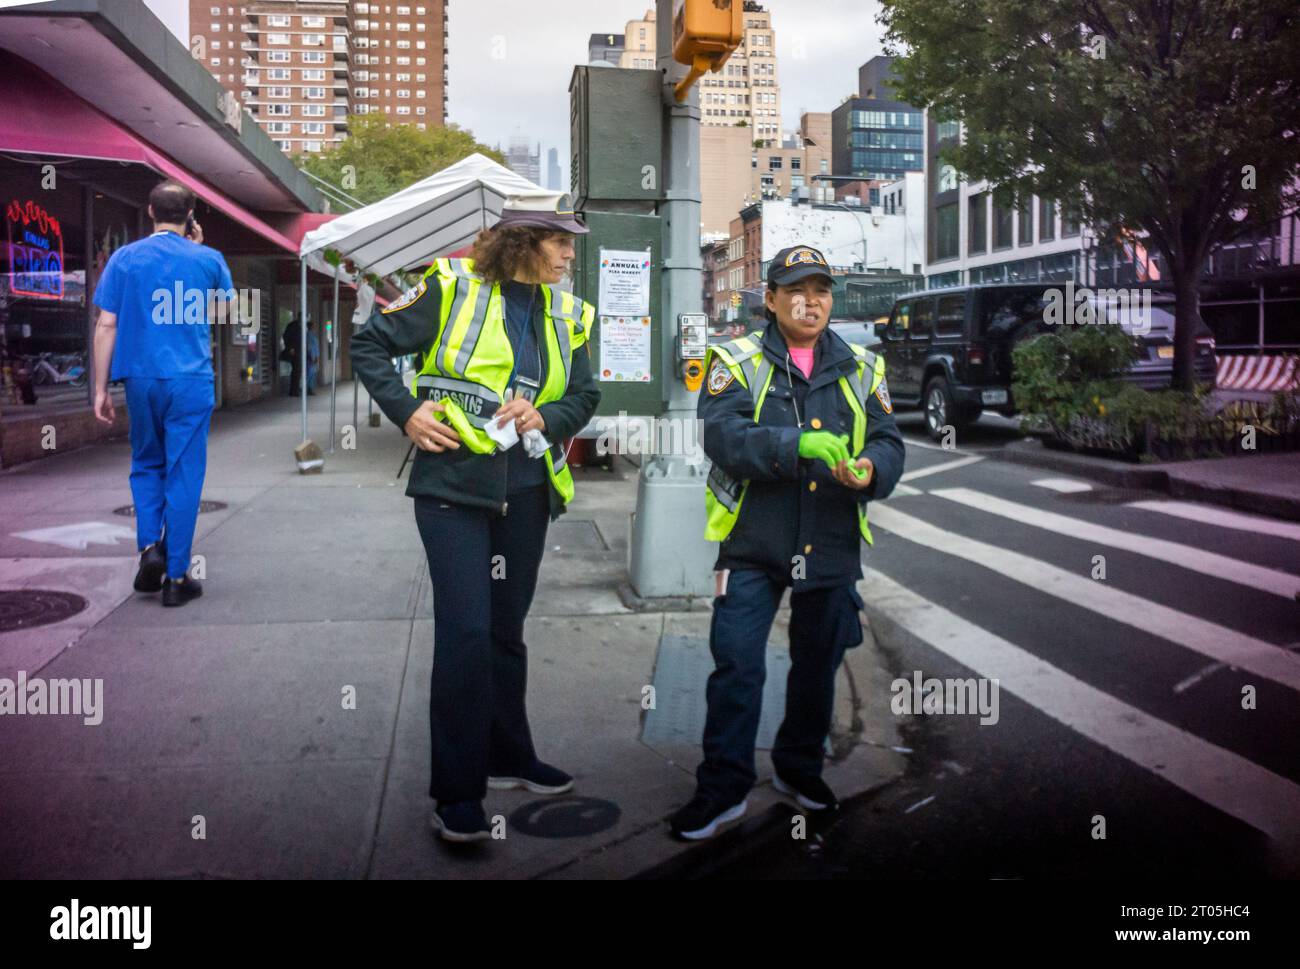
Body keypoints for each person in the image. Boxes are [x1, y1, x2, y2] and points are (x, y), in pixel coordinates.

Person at [350, 192, 601, 843]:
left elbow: (586, 392)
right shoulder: (451, 286)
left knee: (505, 631)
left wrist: (547, 416)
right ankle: (456, 792)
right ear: (523, 242)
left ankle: (508, 754)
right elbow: (370, 343)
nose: (572, 254)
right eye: (562, 242)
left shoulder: (571, 313)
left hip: (528, 491)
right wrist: (406, 410)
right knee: (465, 632)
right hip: (453, 490)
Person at [670, 244, 906, 840]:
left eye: (821, 290)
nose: (811, 301)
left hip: (829, 537)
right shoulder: (734, 358)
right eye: (796, 290)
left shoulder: (862, 365)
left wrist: (872, 470)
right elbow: (722, 437)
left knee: (816, 665)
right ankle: (723, 787)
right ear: (770, 299)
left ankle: (799, 769)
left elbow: (888, 440)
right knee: (737, 665)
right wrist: (793, 445)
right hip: (753, 541)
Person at [91, 180, 232, 608]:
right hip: (190, 379)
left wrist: (98, 387)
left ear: (150, 210)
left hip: (140, 378)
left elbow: (106, 325)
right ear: (190, 215)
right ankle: (176, 577)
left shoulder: (124, 258)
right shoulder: (209, 259)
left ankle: (150, 547)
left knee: (146, 463)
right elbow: (224, 314)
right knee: (184, 472)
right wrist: (199, 255)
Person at [304, 319, 320, 396]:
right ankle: (308, 388)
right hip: (311, 357)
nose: (314, 327)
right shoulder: (309, 335)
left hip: (313, 356)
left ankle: (310, 388)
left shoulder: (312, 335)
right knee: (310, 373)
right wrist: (312, 357)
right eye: (313, 326)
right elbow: (309, 347)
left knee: (312, 373)